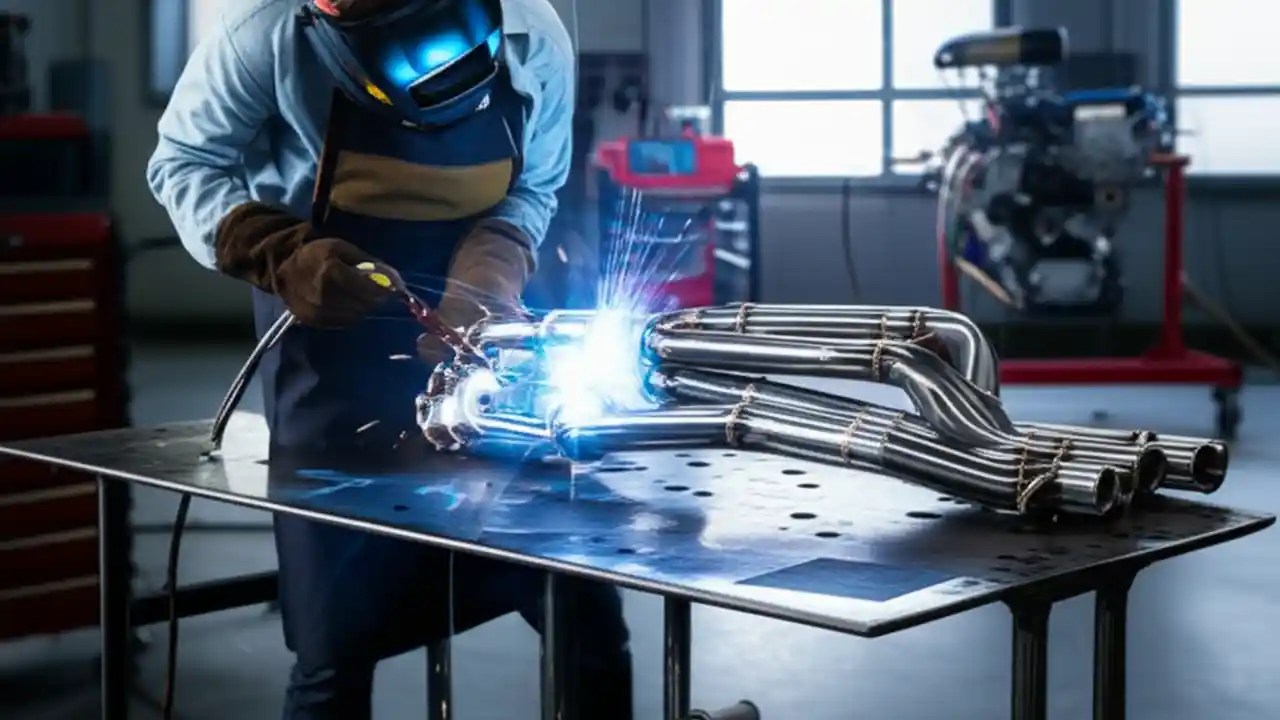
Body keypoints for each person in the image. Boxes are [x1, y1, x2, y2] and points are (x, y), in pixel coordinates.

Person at [146, 0, 633, 717]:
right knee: (334, 645)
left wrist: (491, 268)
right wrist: (278, 251)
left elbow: (535, 183)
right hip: (328, 347)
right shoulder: (266, 36)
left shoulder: (535, 34)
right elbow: (183, 161)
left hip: (484, 349)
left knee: (581, 601)